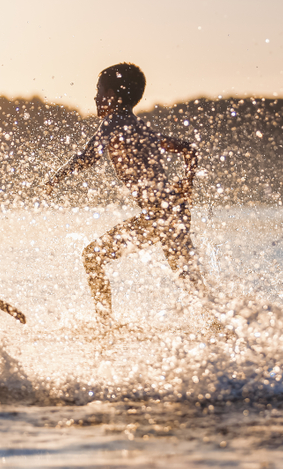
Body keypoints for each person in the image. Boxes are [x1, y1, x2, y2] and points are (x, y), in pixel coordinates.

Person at [43, 62, 205, 322]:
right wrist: (187, 183)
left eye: (99, 91)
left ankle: (105, 326)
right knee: (190, 280)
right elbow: (189, 150)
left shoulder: (113, 122)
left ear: (112, 96)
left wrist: (55, 178)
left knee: (93, 257)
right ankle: (225, 326)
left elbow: (88, 156)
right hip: (173, 211)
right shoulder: (141, 127)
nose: (95, 97)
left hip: (160, 214)